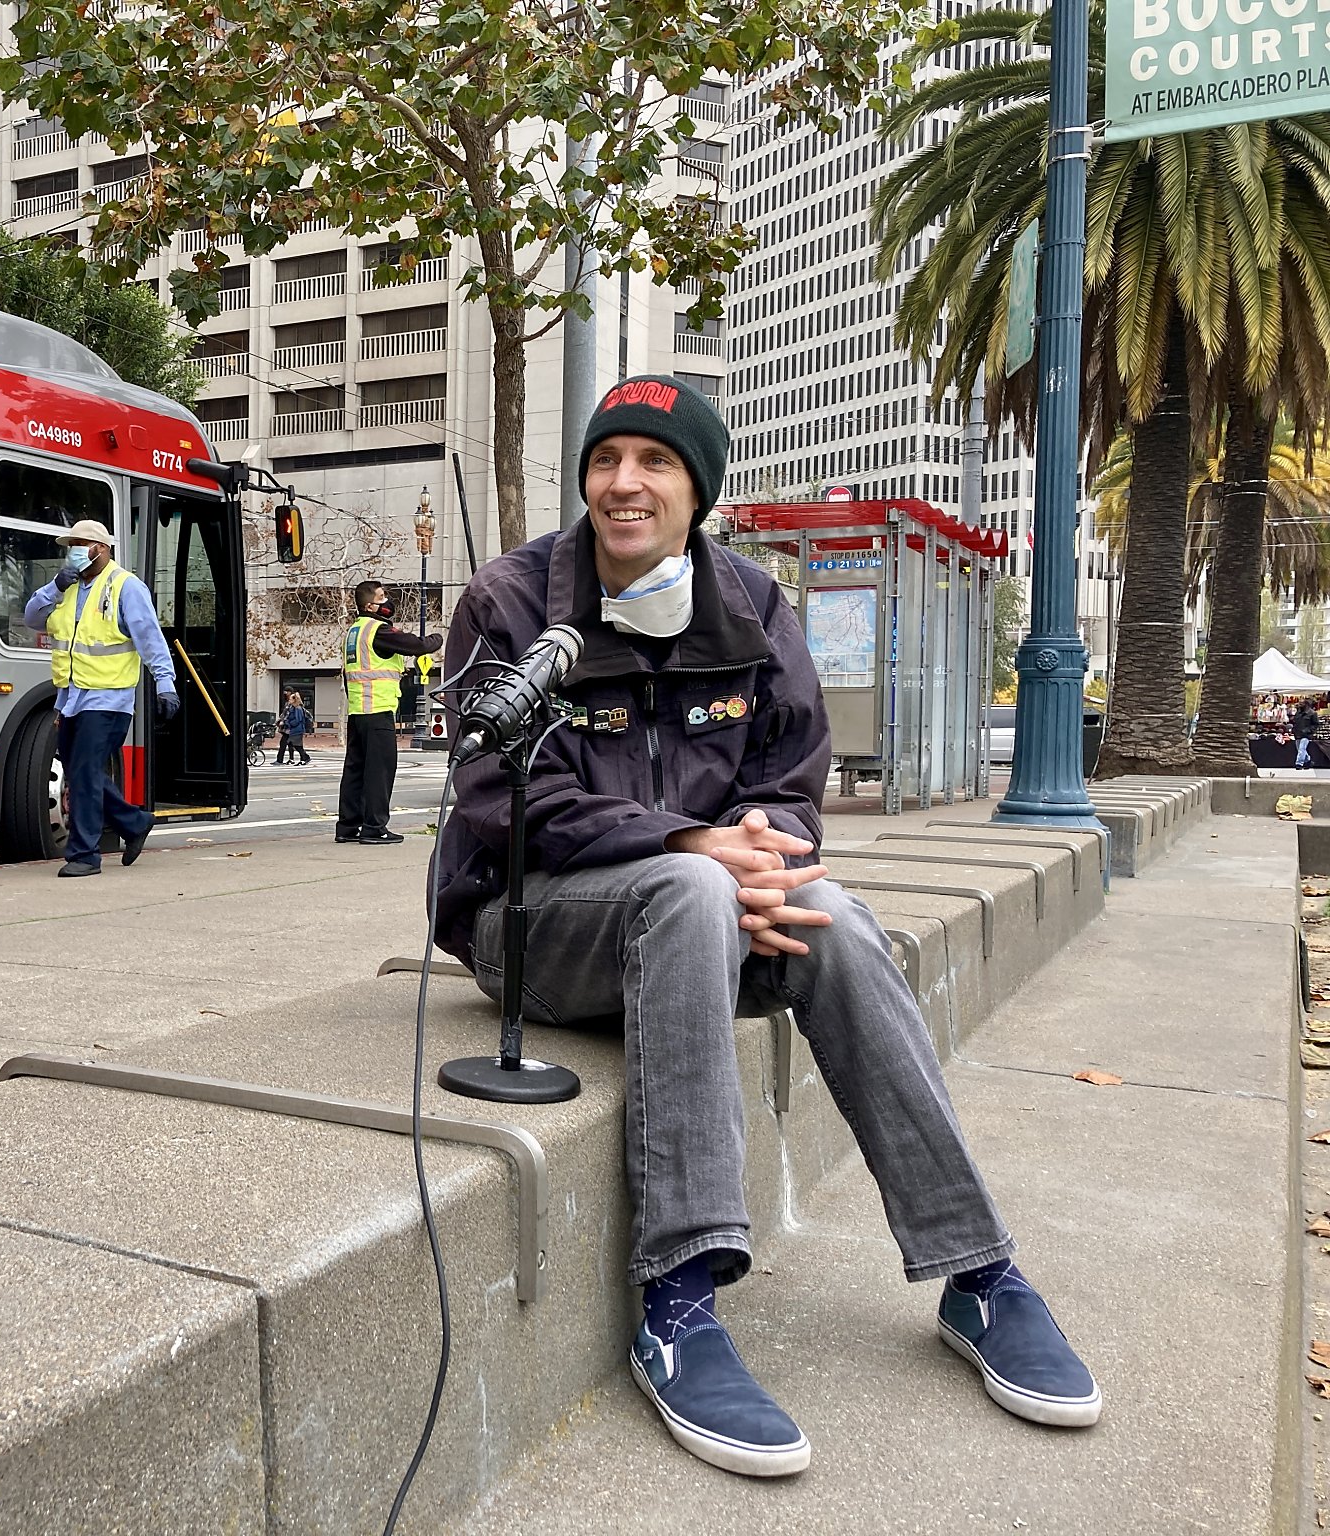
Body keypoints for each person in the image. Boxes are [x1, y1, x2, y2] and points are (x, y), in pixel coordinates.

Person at [432, 375, 1099, 1479]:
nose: (623, 483)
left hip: (700, 908)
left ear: (698, 488)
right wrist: (686, 845)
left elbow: (791, 778)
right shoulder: (510, 602)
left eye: (654, 462)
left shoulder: (749, 605)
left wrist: (758, 843)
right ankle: (676, 1299)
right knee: (688, 889)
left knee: (829, 911)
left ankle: (977, 1274)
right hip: (531, 921)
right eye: (606, 460)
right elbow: (501, 799)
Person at [24, 518, 178, 877]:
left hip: (110, 698)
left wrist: (165, 683)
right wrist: (54, 586)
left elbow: (150, 638)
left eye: (80, 544)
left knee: (83, 771)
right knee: (82, 774)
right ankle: (134, 821)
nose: (73, 551)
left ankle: (85, 855)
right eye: (70, 545)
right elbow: (31, 618)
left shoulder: (126, 587)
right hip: (70, 698)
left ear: (102, 549)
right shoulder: (67, 588)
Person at [338, 580, 442, 844]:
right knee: (379, 771)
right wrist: (438, 638)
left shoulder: (354, 632)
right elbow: (418, 645)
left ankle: (348, 828)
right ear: (369, 605)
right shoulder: (378, 630)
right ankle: (375, 828)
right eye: (382, 597)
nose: (387, 602)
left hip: (358, 711)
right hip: (379, 710)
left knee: (355, 770)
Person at [278, 691, 313, 766]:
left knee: (297, 745)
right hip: (294, 729)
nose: (289, 701)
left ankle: (306, 758)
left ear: (294, 700)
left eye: (291, 699)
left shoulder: (298, 709)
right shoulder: (293, 708)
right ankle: (303, 758)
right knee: (293, 744)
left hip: (297, 729)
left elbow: (298, 720)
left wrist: (288, 723)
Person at [1296, 695, 1320, 769]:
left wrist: (1308, 731)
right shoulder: (1299, 712)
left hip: (1306, 734)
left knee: (1301, 749)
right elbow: (1296, 722)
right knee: (1300, 749)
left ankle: (1299, 763)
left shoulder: (1313, 713)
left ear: (1306, 704)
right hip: (1298, 733)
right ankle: (1308, 761)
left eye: (1301, 704)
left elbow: (1315, 724)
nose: (1299, 705)